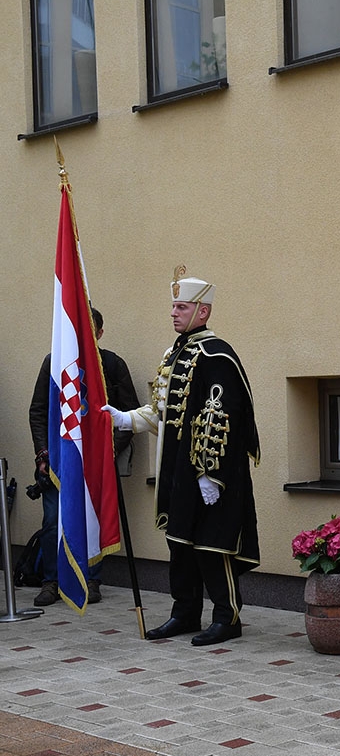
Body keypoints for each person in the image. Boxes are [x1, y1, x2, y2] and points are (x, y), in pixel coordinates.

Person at [103, 268, 260, 645]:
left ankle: (227, 617)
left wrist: (211, 472)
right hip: (177, 469)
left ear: (202, 312)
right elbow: (164, 414)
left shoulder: (217, 354)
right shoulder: (175, 354)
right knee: (180, 543)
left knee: (212, 544)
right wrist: (125, 418)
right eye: (173, 306)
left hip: (210, 471)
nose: (174, 313)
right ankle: (185, 613)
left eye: (182, 306)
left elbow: (224, 415)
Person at [28, 307, 139, 606]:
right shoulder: (54, 363)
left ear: (100, 333)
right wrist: (43, 453)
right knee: (53, 521)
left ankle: (92, 579)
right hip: (60, 461)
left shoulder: (113, 365)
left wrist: (108, 450)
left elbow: (129, 415)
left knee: (94, 518)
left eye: (90, 330)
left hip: (98, 462)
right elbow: (39, 411)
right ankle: (51, 582)